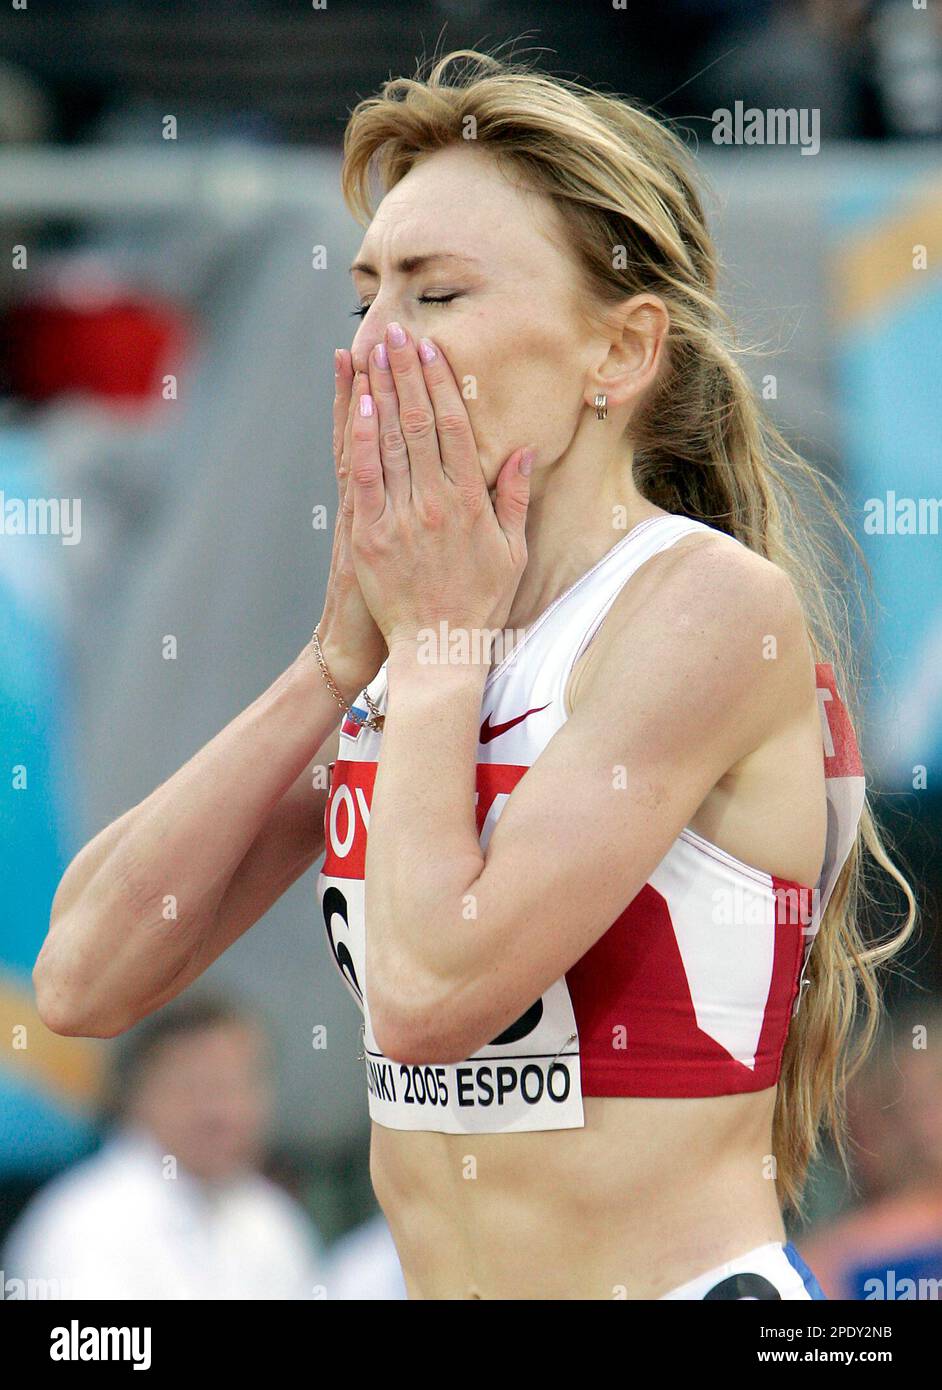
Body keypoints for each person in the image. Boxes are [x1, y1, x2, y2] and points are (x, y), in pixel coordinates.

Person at [34, 47, 916, 1300]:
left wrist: (433, 654)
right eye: (365, 296)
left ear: (620, 354)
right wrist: (332, 662)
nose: (380, 346)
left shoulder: (708, 608)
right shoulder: (416, 640)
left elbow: (431, 993)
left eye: (437, 295)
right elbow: (84, 975)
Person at [4, 995, 324, 1299]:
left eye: (241, 1085)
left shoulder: (274, 1220)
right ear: (137, 1093)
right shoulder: (82, 1223)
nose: (226, 1112)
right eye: (198, 1087)